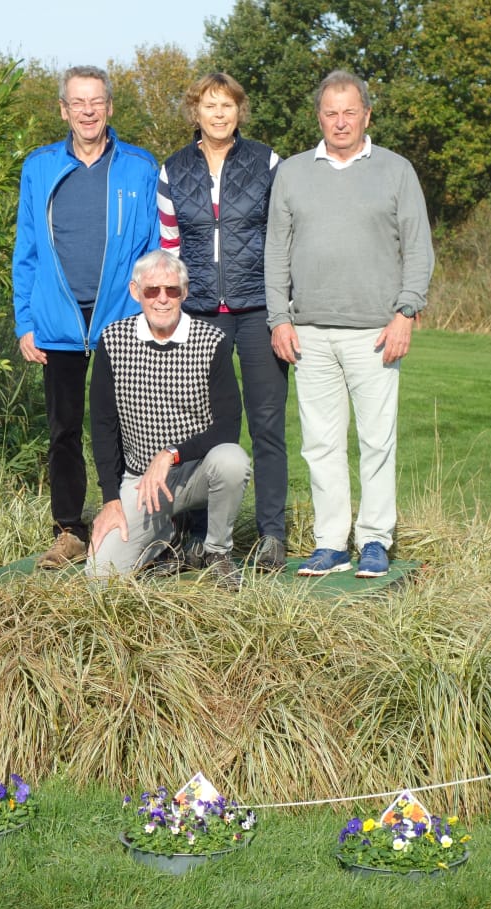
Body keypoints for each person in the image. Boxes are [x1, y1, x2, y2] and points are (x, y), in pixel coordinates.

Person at [264, 70, 434, 579]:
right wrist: (279, 318)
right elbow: (276, 252)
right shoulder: (293, 173)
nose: (341, 121)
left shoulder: (396, 170)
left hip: (376, 332)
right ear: (319, 117)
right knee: (320, 443)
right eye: (331, 113)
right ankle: (331, 543)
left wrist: (406, 311)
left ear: (367, 115)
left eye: (350, 112)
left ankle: (376, 539)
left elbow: (418, 248)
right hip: (309, 332)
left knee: (378, 440)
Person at [12, 65, 160, 569]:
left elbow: (153, 247)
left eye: (96, 101)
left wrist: (151, 309)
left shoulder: (139, 167)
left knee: (128, 425)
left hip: (120, 318)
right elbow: (26, 249)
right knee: (64, 429)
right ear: (64, 110)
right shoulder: (39, 167)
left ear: (110, 107)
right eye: (78, 103)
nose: (88, 111)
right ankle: (70, 530)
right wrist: (24, 320)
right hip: (57, 319)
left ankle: (131, 525)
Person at [157, 73, 287, 572]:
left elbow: (281, 238)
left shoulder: (266, 162)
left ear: (239, 112)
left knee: (267, 424)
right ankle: (201, 539)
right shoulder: (172, 170)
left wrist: (282, 310)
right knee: (206, 429)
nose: (218, 114)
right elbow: (170, 250)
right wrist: (173, 312)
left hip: (258, 311)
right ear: (195, 111)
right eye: (210, 105)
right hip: (200, 314)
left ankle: (273, 534)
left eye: (227, 106)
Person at [87, 250, 251, 590]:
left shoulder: (211, 341)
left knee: (233, 461)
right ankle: (167, 538)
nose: (162, 299)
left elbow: (228, 426)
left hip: (195, 471)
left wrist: (172, 453)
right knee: (100, 575)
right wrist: (110, 501)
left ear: (185, 293)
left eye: (172, 290)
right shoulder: (113, 340)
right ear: (135, 292)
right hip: (141, 481)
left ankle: (216, 551)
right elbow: (103, 426)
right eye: (152, 291)